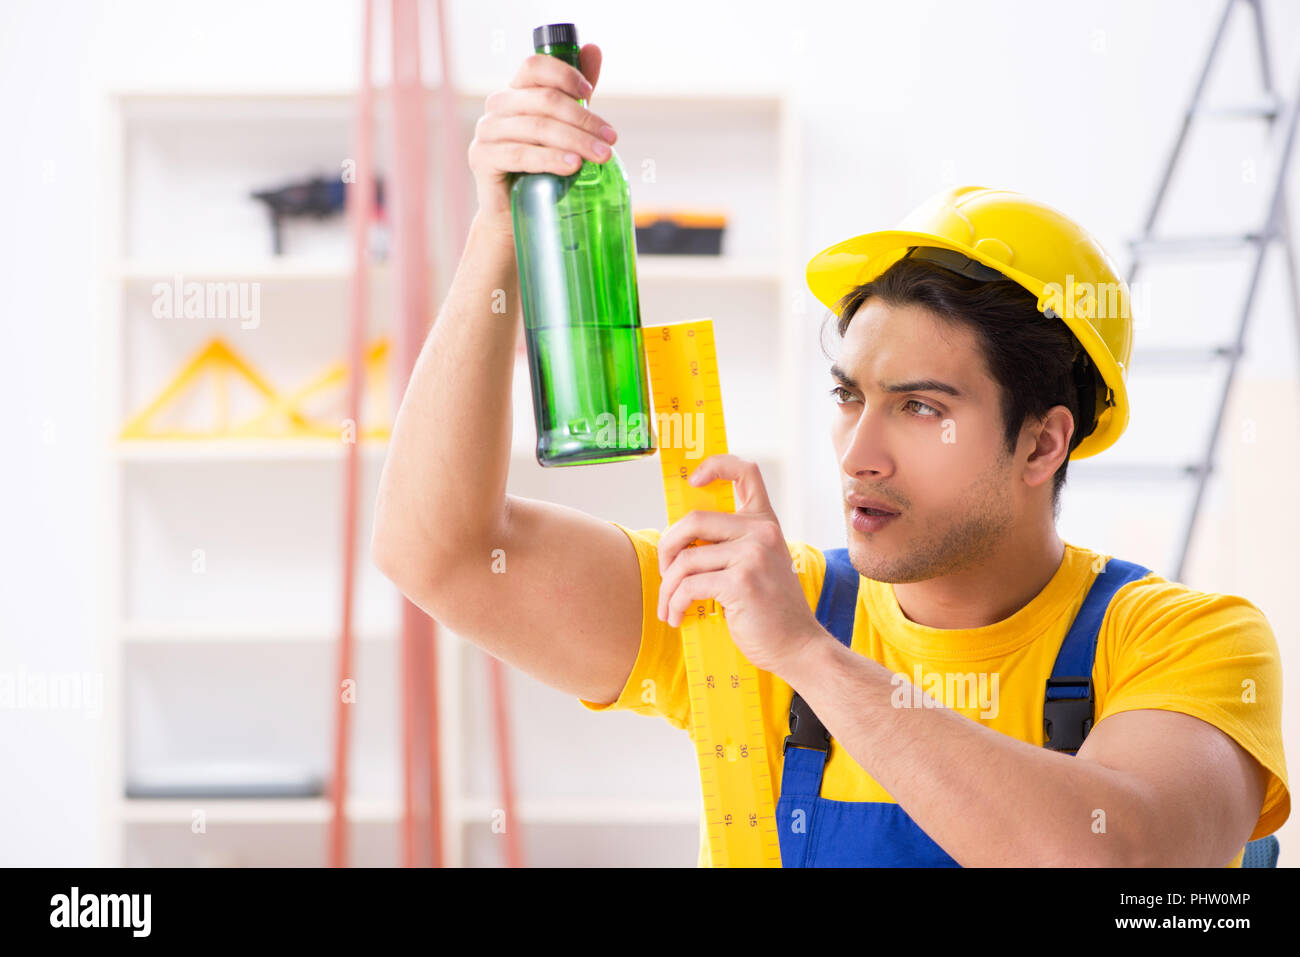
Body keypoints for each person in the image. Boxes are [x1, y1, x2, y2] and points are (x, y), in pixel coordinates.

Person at [371, 42, 1289, 867]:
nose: (858, 452)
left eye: (920, 407)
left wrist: (809, 657)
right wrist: (499, 233)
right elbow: (439, 551)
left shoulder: (1184, 642)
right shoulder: (750, 613)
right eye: (849, 396)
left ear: (1043, 441)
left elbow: (1114, 862)